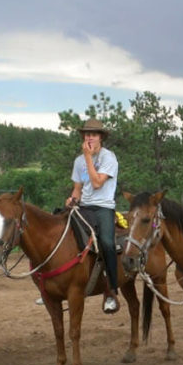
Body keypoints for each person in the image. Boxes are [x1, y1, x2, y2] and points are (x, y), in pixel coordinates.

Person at [67, 118, 120, 314]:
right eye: (87, 134)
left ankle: (112, 291)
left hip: (104, 207)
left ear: (100, 138)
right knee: (63, 235)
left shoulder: (109, 158)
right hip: (84, 207)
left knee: (106, 242)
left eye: (94, 134)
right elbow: (77, 188)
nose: (90, 137)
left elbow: (97, 183)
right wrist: (72, 199)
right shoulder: (78, 161)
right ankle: (58, 286)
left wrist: (88, 157)